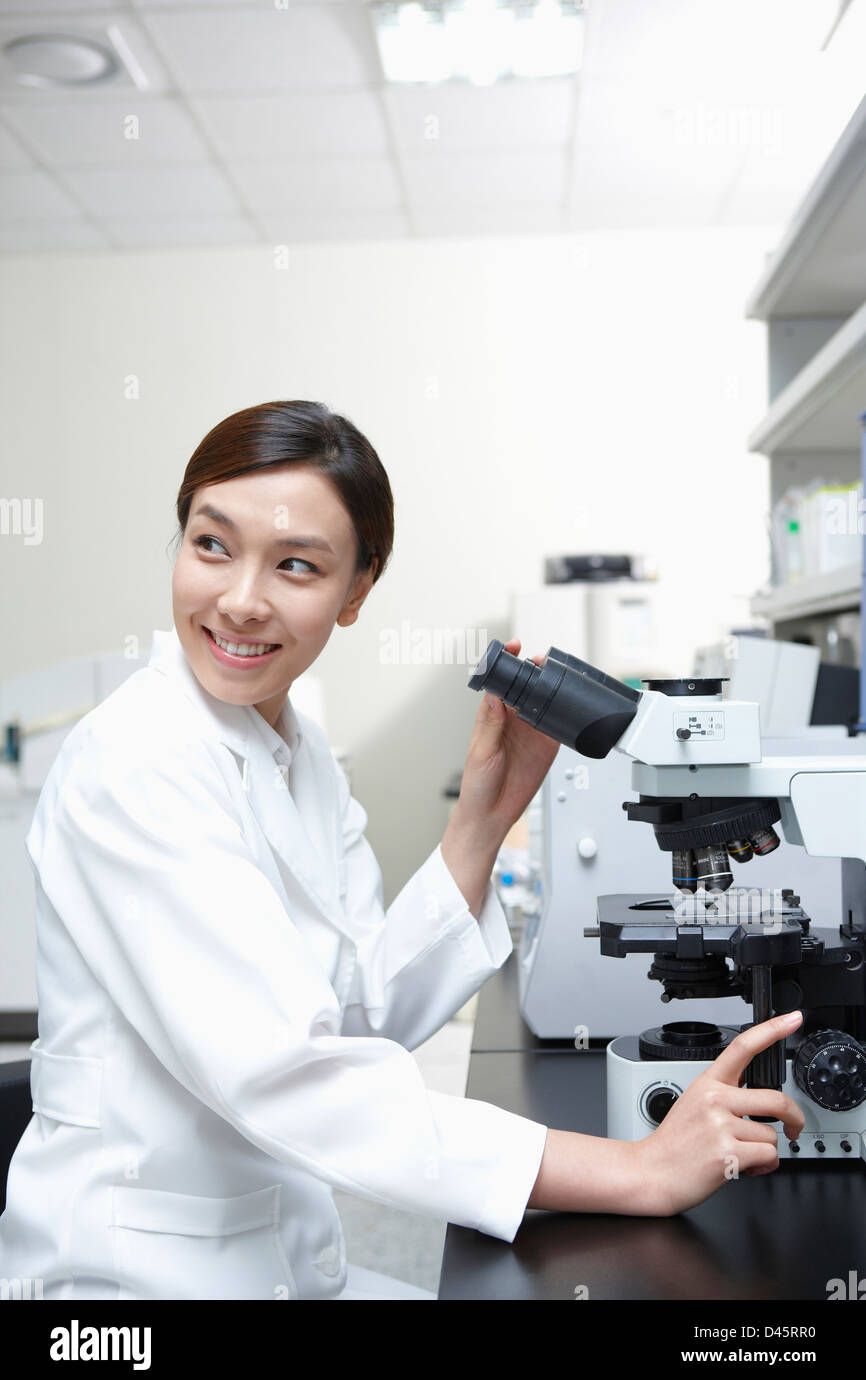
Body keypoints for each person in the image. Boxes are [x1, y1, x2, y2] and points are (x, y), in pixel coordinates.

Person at [0, 400, 806, 1301]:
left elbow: (355, 1018)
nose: (241, 600)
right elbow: (291, 1081)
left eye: (295, 564)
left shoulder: (295, 752)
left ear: (356, 593)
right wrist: (636, 1171)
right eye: (212, 545)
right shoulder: (137, 761)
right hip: (132, 1287)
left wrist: (484, 817)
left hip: (274, 1264)